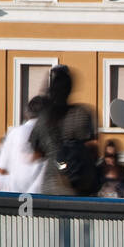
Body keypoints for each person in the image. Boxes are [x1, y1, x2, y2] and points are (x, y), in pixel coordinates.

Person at [29, 66, 99, 196]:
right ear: (70, 89)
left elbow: (36, 153)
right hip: (79, 185)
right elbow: (93, 149)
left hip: (52, 184)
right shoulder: (82, 113)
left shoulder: (45, 118)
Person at [0, 95, 47, 194]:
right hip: (40, 198)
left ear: (27, 113)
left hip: (14, 197)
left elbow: (1, 169)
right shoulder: (48, 134)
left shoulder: (15, 132)